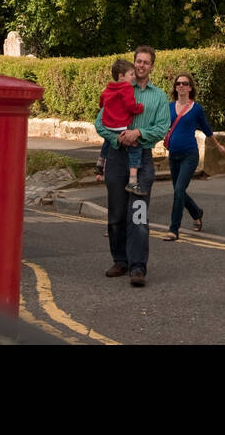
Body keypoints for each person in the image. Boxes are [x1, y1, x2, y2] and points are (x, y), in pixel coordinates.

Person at [94, 45, 170, 287]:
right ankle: (120, 260)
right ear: (134, 63)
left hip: (142, 158)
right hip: (117, 157)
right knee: (116, 215)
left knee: (138, 215)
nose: (141, 65)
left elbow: (161, 127)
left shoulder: (157, 96)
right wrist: (117, 137)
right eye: (138, 61)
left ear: (152, 66)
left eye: (146, 62)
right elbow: (99, 122)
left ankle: (138, 267)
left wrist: (138, 132)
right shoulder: (118, 87)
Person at [163, 69, 225, 240]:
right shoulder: (169, 107)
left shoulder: (196, 108)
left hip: (189, 155)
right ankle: (197, 212)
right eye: (178, 84)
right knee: (179, 191)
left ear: (190, 88)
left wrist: (218, 145)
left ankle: (173, 230)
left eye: (185, 84)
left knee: (178, 190)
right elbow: (163, 126)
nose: (181, 86)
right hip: (173, 155)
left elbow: (205, 128)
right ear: (175, 88)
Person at [95, 59, 145, 193]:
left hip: (108, 124)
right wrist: (139, 108)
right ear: (121, 76)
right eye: (131, 74)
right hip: (121, 126)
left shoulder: (108, 87)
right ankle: (133, 181)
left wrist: (106, 107)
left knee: (107, 140)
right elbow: (130, 106)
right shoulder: (127, 87)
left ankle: (100, 162)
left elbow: (101, 101)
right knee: (135, 147)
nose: (134, 77)